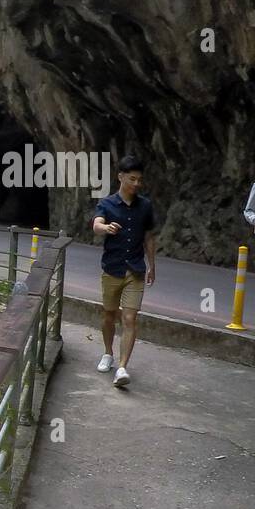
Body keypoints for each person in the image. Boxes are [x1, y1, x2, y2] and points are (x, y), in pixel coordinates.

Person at [93, 155, 157, 389]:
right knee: (109, 315)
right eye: (132, 179)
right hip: (112, 267)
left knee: (130, 318)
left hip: (136, 269)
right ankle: (108, 353)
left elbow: (149, 237)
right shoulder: (107, 204)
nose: (136, 184)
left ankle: (122, 367)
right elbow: (96, 224)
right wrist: (106, 227)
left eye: (140, 180)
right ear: (120, 177)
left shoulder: (145, 206)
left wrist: (152, 265)